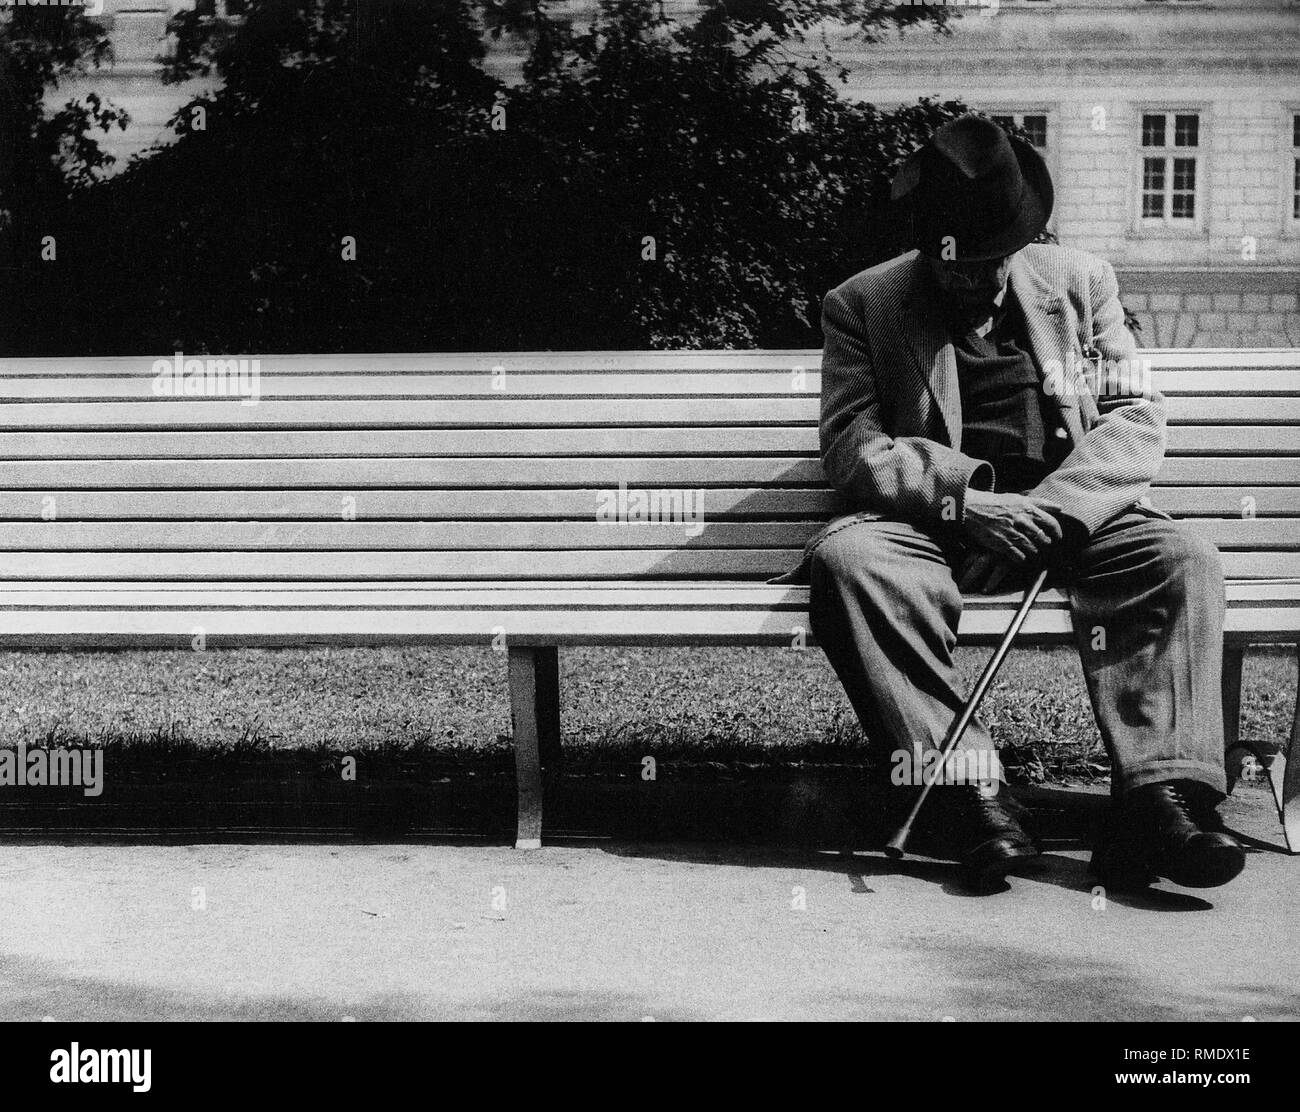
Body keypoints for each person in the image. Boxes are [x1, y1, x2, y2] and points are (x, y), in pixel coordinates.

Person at [787, 113, 1244, 892]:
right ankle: (970, 798)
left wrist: (1059, 510)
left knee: (1180, 557)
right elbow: (851, 446)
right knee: (850, 561)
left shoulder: (1082, 282)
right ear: (930, 246)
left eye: (998, 257)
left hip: (1068, 522)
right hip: (938, 528)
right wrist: (972, 502)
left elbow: (1135, 415)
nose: (983, 277)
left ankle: (1157, 800)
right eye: (962, 263)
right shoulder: (862, 303)